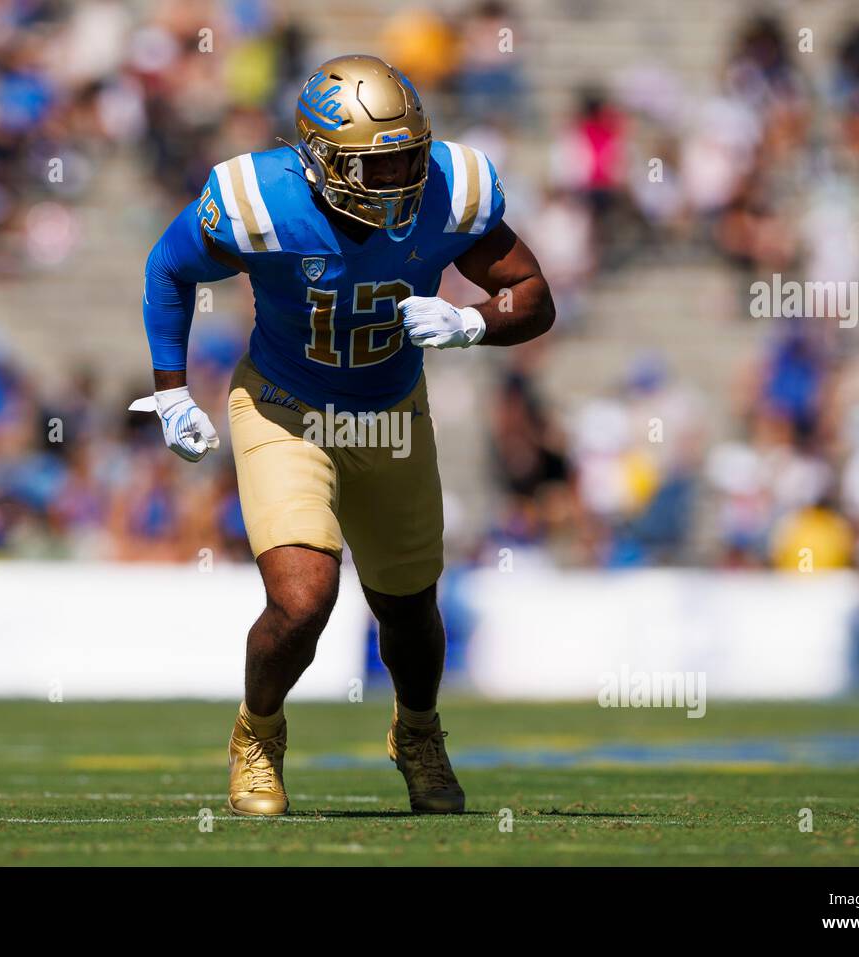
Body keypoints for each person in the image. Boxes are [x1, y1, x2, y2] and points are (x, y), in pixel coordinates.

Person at [136, 54, 554, 815]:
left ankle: (418, 731)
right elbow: (169, 269)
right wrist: (171, 394)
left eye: (408, 158)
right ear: (319, 158)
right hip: (285, 407)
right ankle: (258, 733)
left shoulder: (450, 190)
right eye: (378, 164)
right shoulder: (257, 201)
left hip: (392, 408)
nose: (399, 179)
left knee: (409, 609)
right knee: (304, 600)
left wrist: (470, 322)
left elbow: (531, 294)